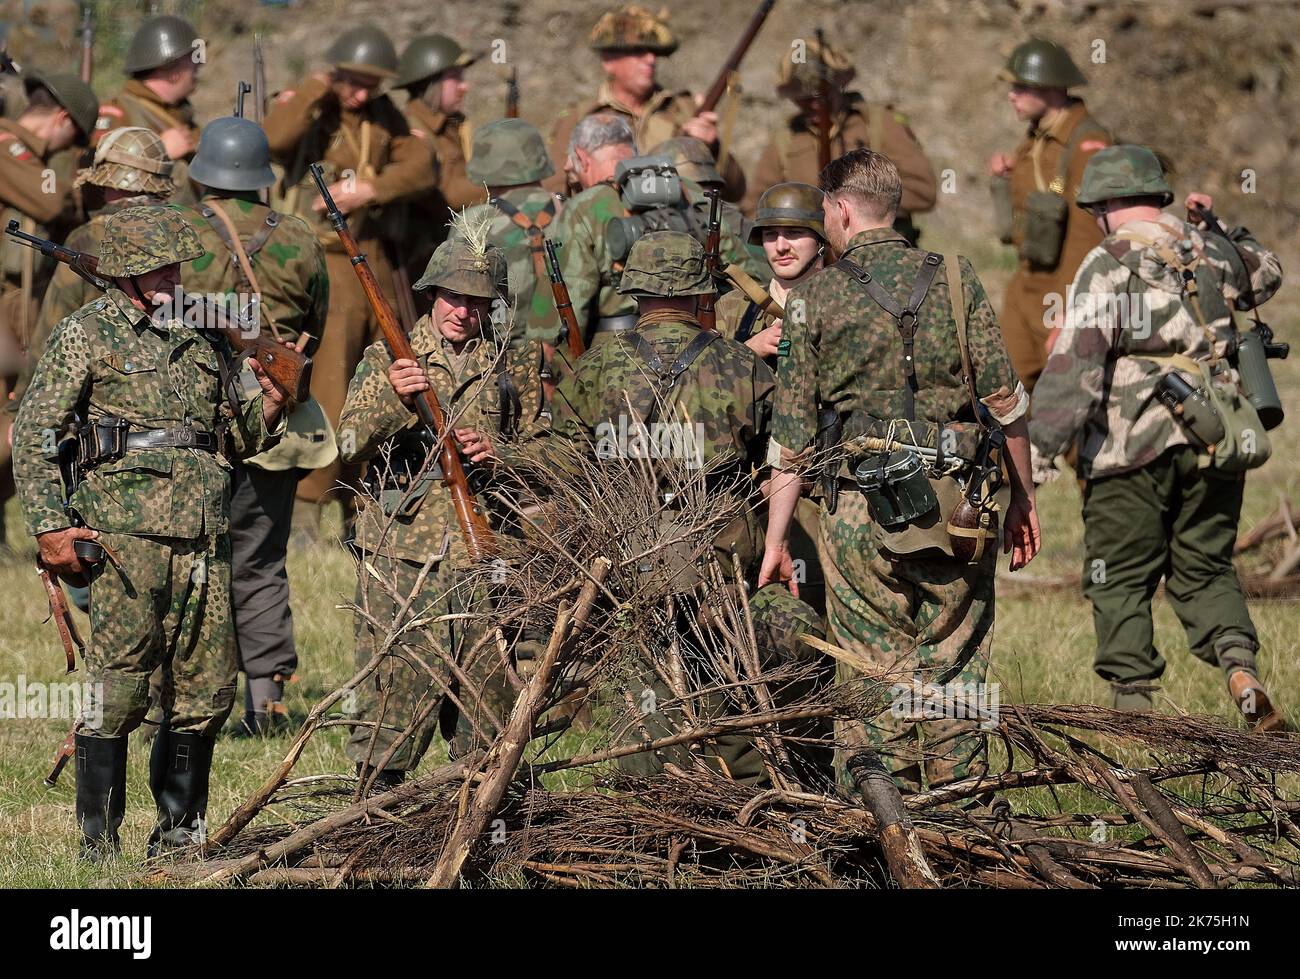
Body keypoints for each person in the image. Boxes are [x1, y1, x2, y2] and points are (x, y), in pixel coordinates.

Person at [759, 149, 1041, 793]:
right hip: (959, 505)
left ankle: (883, 823)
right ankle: (962, 815)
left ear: (839, 209)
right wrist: (1025, 500)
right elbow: (1007, 403)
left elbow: (794, 441)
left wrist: (776, 541)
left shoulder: (816, 297)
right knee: (957, 663)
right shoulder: (955, 277)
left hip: (859, 509)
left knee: (870, 671)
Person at [12, 205, 287, 858]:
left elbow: (243, 435)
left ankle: (178, 842)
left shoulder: (203, 338)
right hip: (124, 540)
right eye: (159, 268)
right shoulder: (89, 332)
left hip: (203, 539)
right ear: (130, 273)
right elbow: (34, 431)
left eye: (175, 267)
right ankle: (98, 850)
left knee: (206, 692)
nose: (172, 279)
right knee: (120, 688)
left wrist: (273, 397)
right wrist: (51, 524)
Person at [552, 230, 825, 784]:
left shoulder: (598, 366)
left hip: (628, 561)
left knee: (644, 697)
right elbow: (786, 459)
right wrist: (775, 545)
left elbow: (560, 463)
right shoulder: (742, 367)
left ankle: (651, 812)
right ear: (701, 293)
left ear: (637, 294)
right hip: (721, 561)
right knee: (732, 689)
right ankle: (749, 812)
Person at [1029, 145, 1285, 730]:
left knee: (1118, 575)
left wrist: (1035, 456)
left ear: (1105, 204)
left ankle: (1134, 716)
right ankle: (1241, 670)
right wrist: (1214, 227)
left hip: (1129, 448)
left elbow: (1076, 372)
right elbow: (1267, 270)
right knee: (1207, 569)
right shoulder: (1211, 253)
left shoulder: (1108, 262)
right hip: (1217, 439)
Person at [336, 233, 548, 788]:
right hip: (404, 557)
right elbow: (348, 443)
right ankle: (371, 836)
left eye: (477, 300)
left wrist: (506, 454)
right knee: (391, 707)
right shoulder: (388, 356)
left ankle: (491, 842)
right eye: (453, 296)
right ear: (431, 294)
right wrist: (393, 399)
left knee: (491, 717)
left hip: (487, 556)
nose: (463, 311)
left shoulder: (514, 360)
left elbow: (553, 451)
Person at [185, 115, 333, 734]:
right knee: (260, 560)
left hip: (191, 419)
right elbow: (315, 328)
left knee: (188, 561)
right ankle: (266, 707)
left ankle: (185, 705)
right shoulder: (299, 237)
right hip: (271, 415)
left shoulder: (177, 233)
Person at [263, 25, 436, 531]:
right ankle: (313, 504)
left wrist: (370, 189)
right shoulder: (313, 104)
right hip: (326, 260)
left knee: (382, 376)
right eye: (354, 83)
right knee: (330, 384)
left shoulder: (383, 115)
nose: (362, 94)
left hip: (374, 258)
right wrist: (318, 90)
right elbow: (273, 139)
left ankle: (364, 498)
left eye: (371, 85)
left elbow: (421, 165)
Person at [715, 181, 828, 617]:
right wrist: (747, 351)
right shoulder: (733, 309)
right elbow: (698, 392)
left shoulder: (844, 302)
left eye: (794, 233)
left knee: (818, 614)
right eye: (769, 235)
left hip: (822, 489)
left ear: (821, 238)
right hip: (747, 489)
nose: (780, 246)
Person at [551, 114, 755, 350]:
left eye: (570, 164)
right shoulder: (687, 190)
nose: (567, 168)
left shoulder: (582, 209)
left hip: (617, 358)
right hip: (700, 350)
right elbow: (746, 278)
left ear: (581, 158)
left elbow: (566, 314)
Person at [0, 71, 97, 547]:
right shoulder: (6, 146)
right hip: (4, 306)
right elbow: (50, 198)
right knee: (12, 422)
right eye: (73, 137)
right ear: (60, 119)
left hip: (19, 307)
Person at [989, 38, 1111, 394]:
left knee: (1069, 399)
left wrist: (1071, 307)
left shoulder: (1088, 144)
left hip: (1060, 292)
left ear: (1053, 88)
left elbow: (1087, 238)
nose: (1012, 95)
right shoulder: (1036, 139)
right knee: (1002, 395)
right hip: (1026, 285)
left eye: (1022, 86)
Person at [743, 37, 937, 245]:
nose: (812, 105)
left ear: (838, 84)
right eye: (802, 98)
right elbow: (754, 208)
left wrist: (860, 205)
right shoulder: (786, 138)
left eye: (818, 95)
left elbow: (923, 191)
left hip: (880, 254)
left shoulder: (878, 124)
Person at [545, 5, 745, 202]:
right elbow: (555, 192)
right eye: (638, 51)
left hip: (675, 228)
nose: (650, 59)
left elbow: (736, 191)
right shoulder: (580, 118)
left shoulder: (684, 111)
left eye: (653, 51)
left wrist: (713, 148)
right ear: (608, 60)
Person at [459, 118, 563, 354]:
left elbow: (456, 296)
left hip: (500, 356)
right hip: (568, 351)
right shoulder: (571, 210)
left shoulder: (473, 221)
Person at [394, 33, 487, 282]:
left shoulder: (454, 127)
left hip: (452, 256)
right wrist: (502, 187)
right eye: (455, 77)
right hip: (423, 261)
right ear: (431, 83)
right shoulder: (410, 128)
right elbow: (447, 194)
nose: (464, 86)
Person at [93, 14, 203, 204]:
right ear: (172, 69)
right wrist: (161, 151)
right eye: (193, 57)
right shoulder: (118, 113)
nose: (199, 64)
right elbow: (98, 178)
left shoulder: (179, 115)